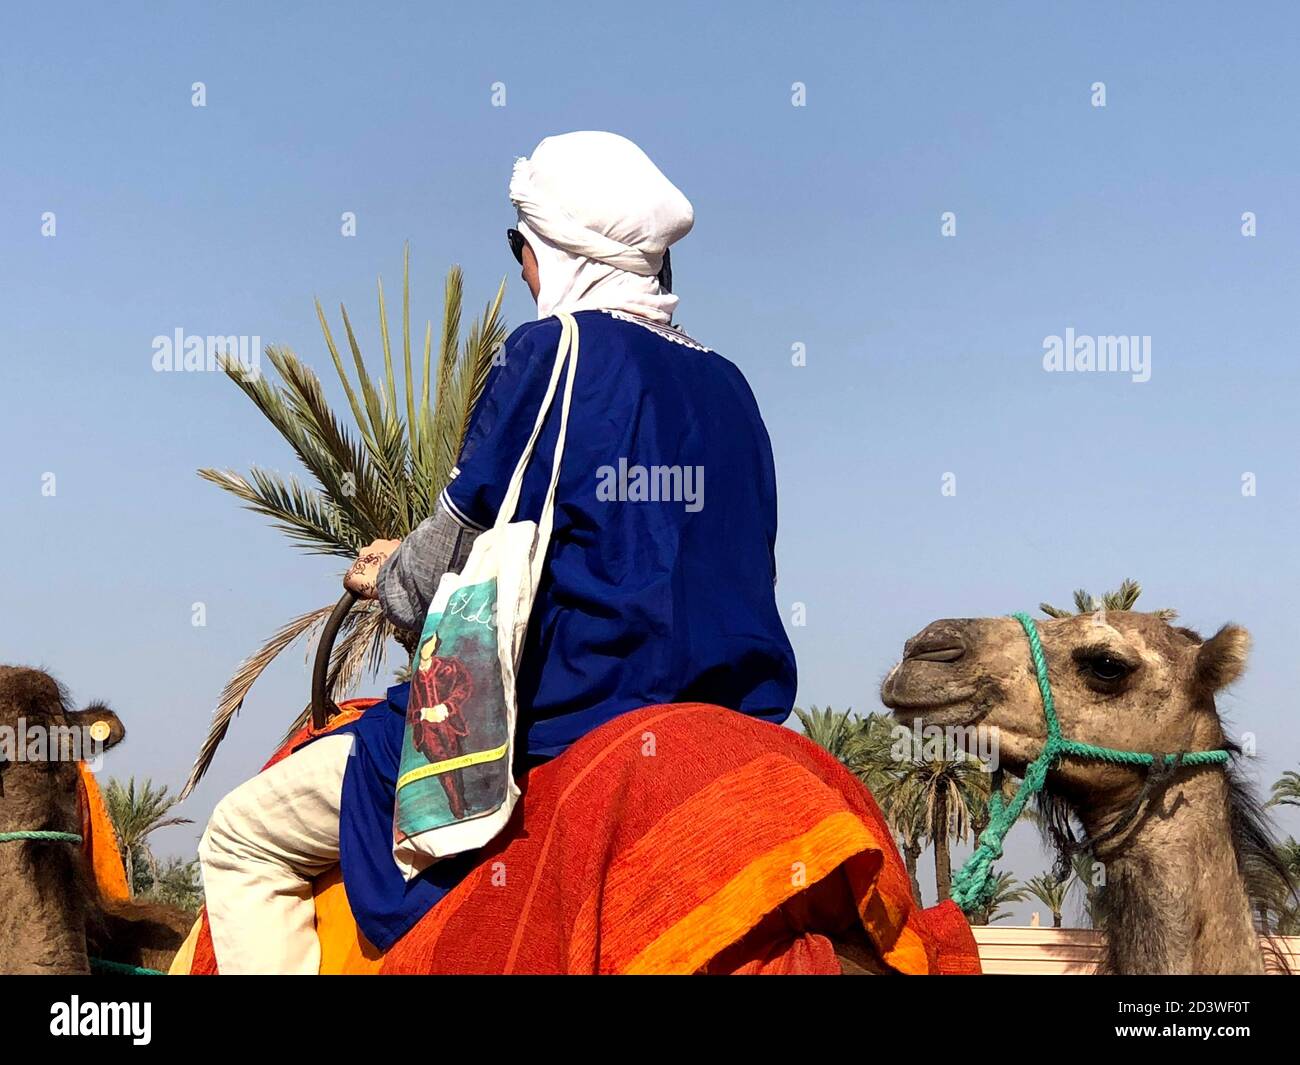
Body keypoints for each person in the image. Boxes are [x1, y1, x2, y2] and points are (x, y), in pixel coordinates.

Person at [198, 131, 797, 973]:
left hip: (569, 724)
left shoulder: (551, 353)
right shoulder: (733, 387)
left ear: (554, 249)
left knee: (241, 838)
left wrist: (384, 574)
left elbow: (446, 565)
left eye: (520, 243)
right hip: (737, 724)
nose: (519, 265)